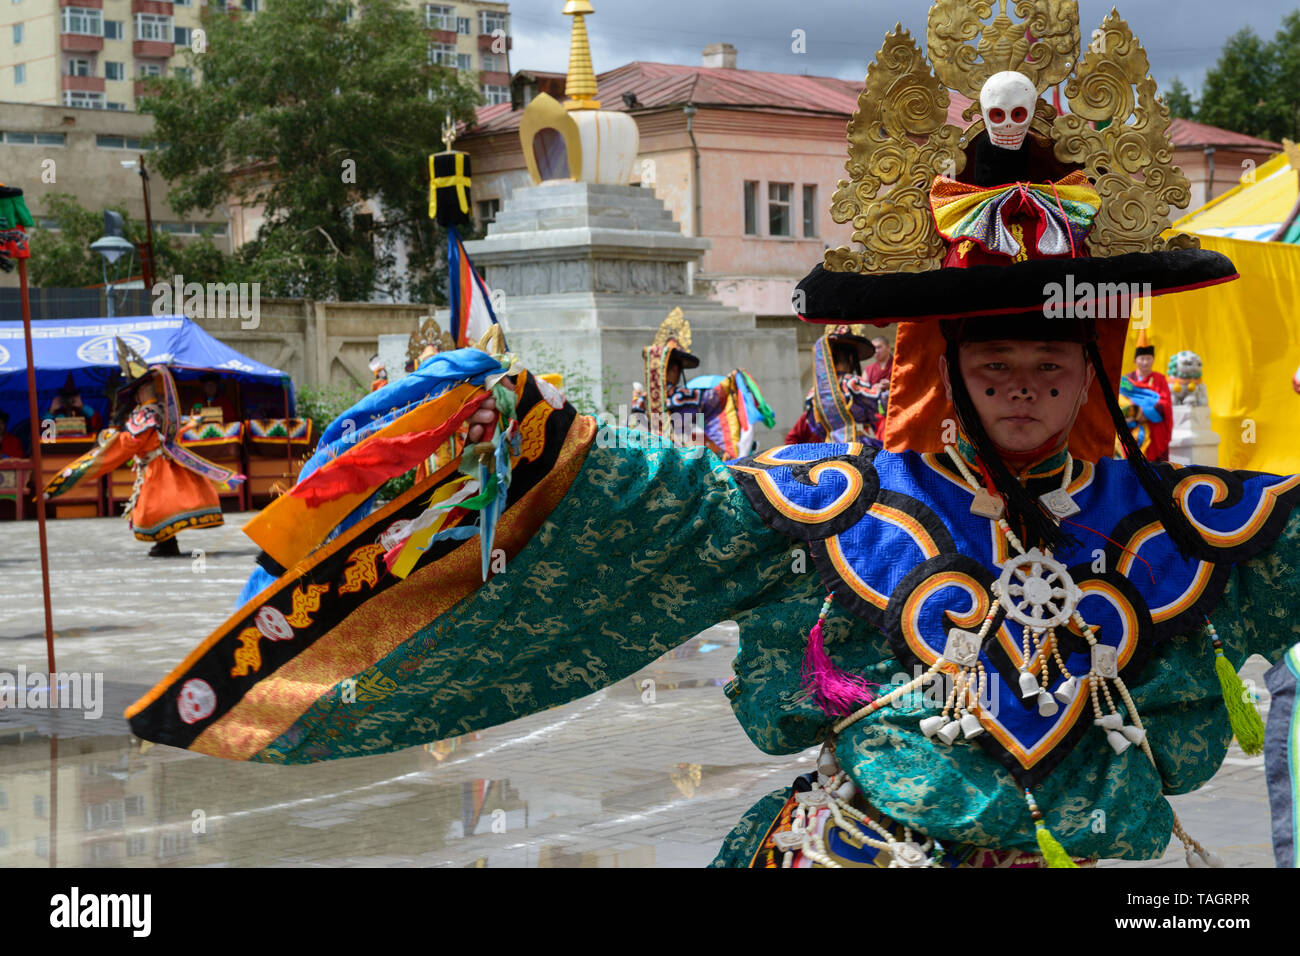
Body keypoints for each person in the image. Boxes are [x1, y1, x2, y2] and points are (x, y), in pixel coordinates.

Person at [123, 1, 1299, 870]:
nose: (1026, 388)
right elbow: (665, 496)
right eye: (995, 365)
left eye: (1052, 364)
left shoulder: (1166, 517)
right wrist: (519, 425)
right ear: (944, 372)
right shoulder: (847, 502)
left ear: (1092, 372)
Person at [45, 342, 243, 557]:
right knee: (162, 505)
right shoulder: (159, 408)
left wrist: (111, 439)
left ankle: (167, 543)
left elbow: (131, 442)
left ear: (140, 391)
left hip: (157, 467)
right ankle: (166, 542)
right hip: (161, 464)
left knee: (155, 507)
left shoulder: (145, 413)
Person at [631, 308, 775, 459]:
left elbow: (634, 434)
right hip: (682, 463)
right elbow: (716, 397)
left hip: (650, 464)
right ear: (674, 369)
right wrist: (732, 380)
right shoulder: (683, 396)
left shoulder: (641, 401)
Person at [785, 324, 881, 445]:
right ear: (851, 359)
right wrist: (882, 389)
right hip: (857, 445)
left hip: (829, 448)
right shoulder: (851, 382)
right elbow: (880, 402)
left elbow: (812, 425)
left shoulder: (814, 393)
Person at [1121, 333, 1173, 462]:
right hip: (1132, 428)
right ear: (1135, 360)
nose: (1145, 362)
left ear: (1153, 360)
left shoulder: (1159, 379)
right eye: (1142, 358)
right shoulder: (1126, 381)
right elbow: (1120, 401)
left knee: (1157, 470)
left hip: (1155, 431)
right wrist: (1133, 412)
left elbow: (1165, 403)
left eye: (1148, 358)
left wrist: (1144, 412)